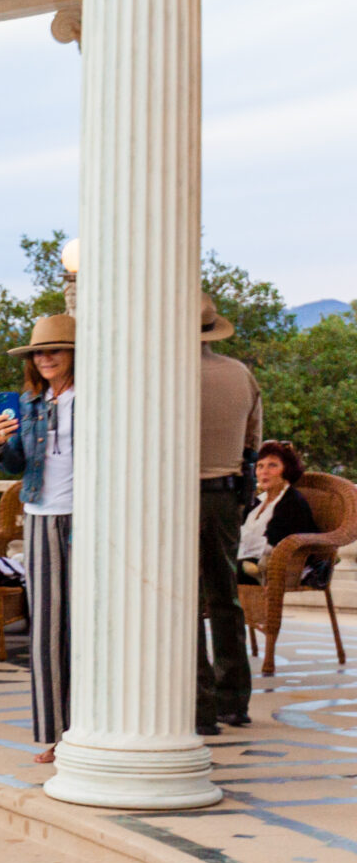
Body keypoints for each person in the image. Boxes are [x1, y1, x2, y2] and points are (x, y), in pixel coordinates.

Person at [0, 314, 76, 763]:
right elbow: (14, 464)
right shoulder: (30, 403)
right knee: (46, 629)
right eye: (39, 352)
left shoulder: (93, 399)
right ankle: (56, 734)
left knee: (84, 627)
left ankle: (87, 730)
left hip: (85, 519)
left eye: (54, 350)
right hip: (41, 515)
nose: (44, 358)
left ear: (73, 354)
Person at [200, 297, 262, 733]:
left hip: (175, 495)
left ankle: (199, 705)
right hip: (225, 497)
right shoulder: (240, 374)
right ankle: (234, 699)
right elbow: (252, 444)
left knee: (179, 602)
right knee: (225, 598)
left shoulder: (163, 375)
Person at [239, 439, 319, 585]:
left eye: (272, 465)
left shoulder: (292, 502)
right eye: (260, 466)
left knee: (218, 570)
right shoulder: (256, 503)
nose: (264, 471)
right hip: (246, 563)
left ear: (287, 469)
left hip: (276, 569)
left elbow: (276, 545)